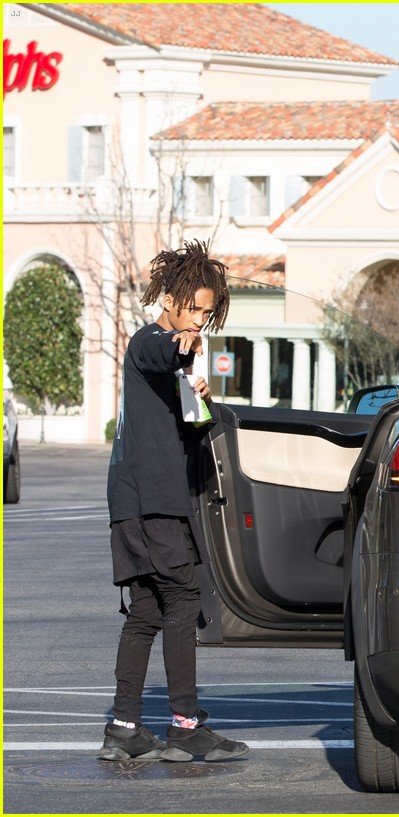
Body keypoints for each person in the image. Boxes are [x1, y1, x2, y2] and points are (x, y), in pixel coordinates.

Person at [97, 240, 248, 763]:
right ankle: (185, 727)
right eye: (197, 309)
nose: (202, 321)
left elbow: (193, 430)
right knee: (183, 602)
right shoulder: (150, 342)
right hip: (154, 504)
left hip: (136, 501)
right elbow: (162, 351)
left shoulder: (177, 364)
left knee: (145, 612)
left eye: (209, 313)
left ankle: (123, 728)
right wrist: (181, 346)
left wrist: (202, 399)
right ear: (175, 298)